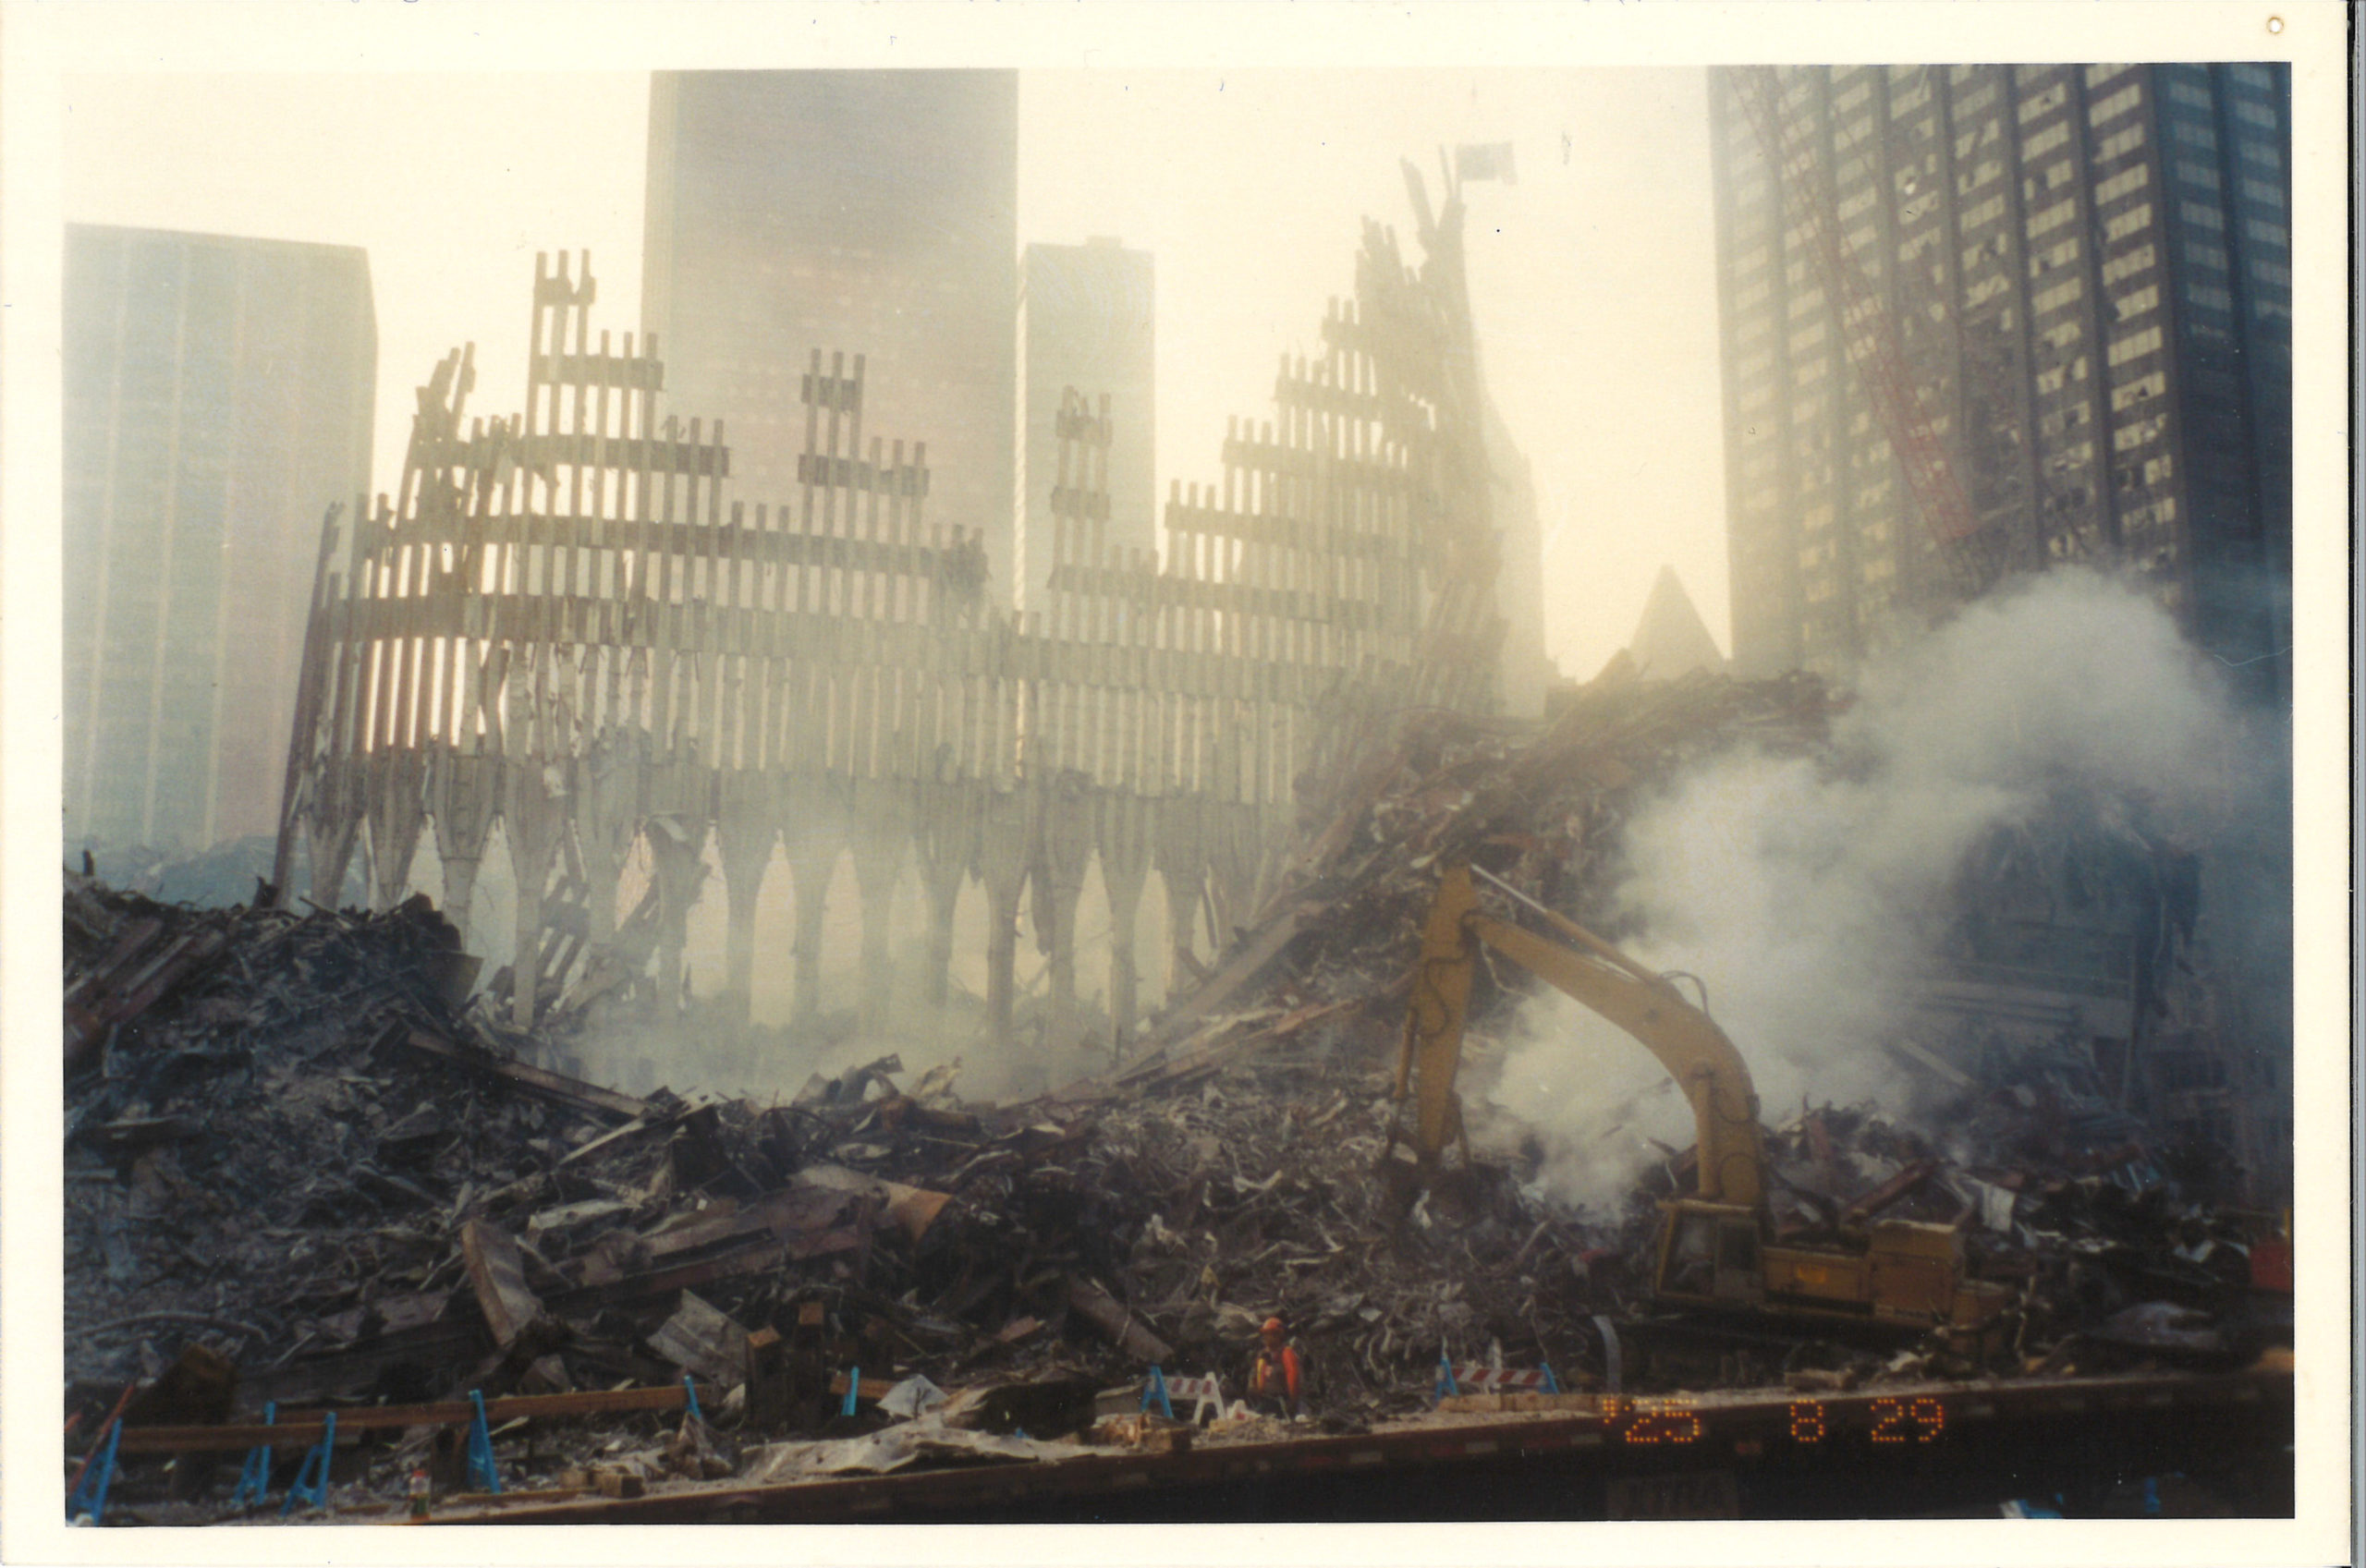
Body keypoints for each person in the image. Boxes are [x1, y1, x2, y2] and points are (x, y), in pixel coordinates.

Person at [1245, 1316, 1308, 1420]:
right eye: (1264, 1334)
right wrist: (1252, 1386)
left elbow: (1296, 1379)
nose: (1265, 1337)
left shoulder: (1287, 1355)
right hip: (1265, 1401)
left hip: (1282, 1402)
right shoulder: (1262, 1355)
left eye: (1268, 1334)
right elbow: (1254, 1373)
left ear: (1277, 1336)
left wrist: (1292, 1402)